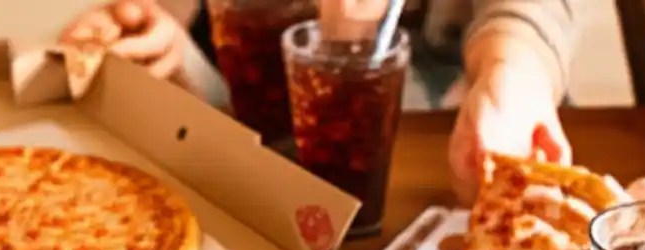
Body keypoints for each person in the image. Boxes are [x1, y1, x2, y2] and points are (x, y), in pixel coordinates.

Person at [60, 0, 581, 204]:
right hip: (249, 199)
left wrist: (511, 74)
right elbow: (160, 20)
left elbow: (528, 16)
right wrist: (153, 42)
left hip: (434, 187)